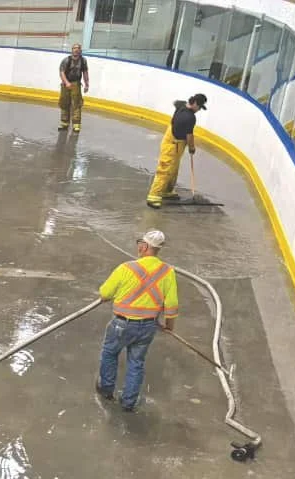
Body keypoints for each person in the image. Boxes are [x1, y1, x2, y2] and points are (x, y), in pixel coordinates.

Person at [96, 230, 179, 412]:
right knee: (136, 362)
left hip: (121, 324)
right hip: (148, 326)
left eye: (139, 243)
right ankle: (128, 402)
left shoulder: (126, 268)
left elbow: (104, 293)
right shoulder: (168, 272)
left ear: (145, 246)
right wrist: (169, 326)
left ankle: (106, 390)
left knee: (110, 354)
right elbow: (171, 304)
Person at [146, 93, 207, 209]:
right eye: (199, 107)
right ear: (194, 103)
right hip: (172, 145)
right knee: (165, 170)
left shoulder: (181, 106)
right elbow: (189, 136)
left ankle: (166, 191)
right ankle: (153, 196)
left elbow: (176, 102)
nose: (198, 110)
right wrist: (192, 148)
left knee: (173, 170)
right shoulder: (190, 117)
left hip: (175, 143)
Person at [58, 43, 90, 133]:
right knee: (64, 103)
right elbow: (61, 72)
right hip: (65, 84)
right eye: (74, 48)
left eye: (78, 48)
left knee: (76, 103)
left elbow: (85, 72)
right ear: (72, 50)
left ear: (80, 50)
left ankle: (76, 125)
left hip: (76, 84)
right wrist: (66, 82)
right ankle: (64, 123)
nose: (76, 49)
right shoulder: (66, 60)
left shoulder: (83, 61)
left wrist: (87, 84)